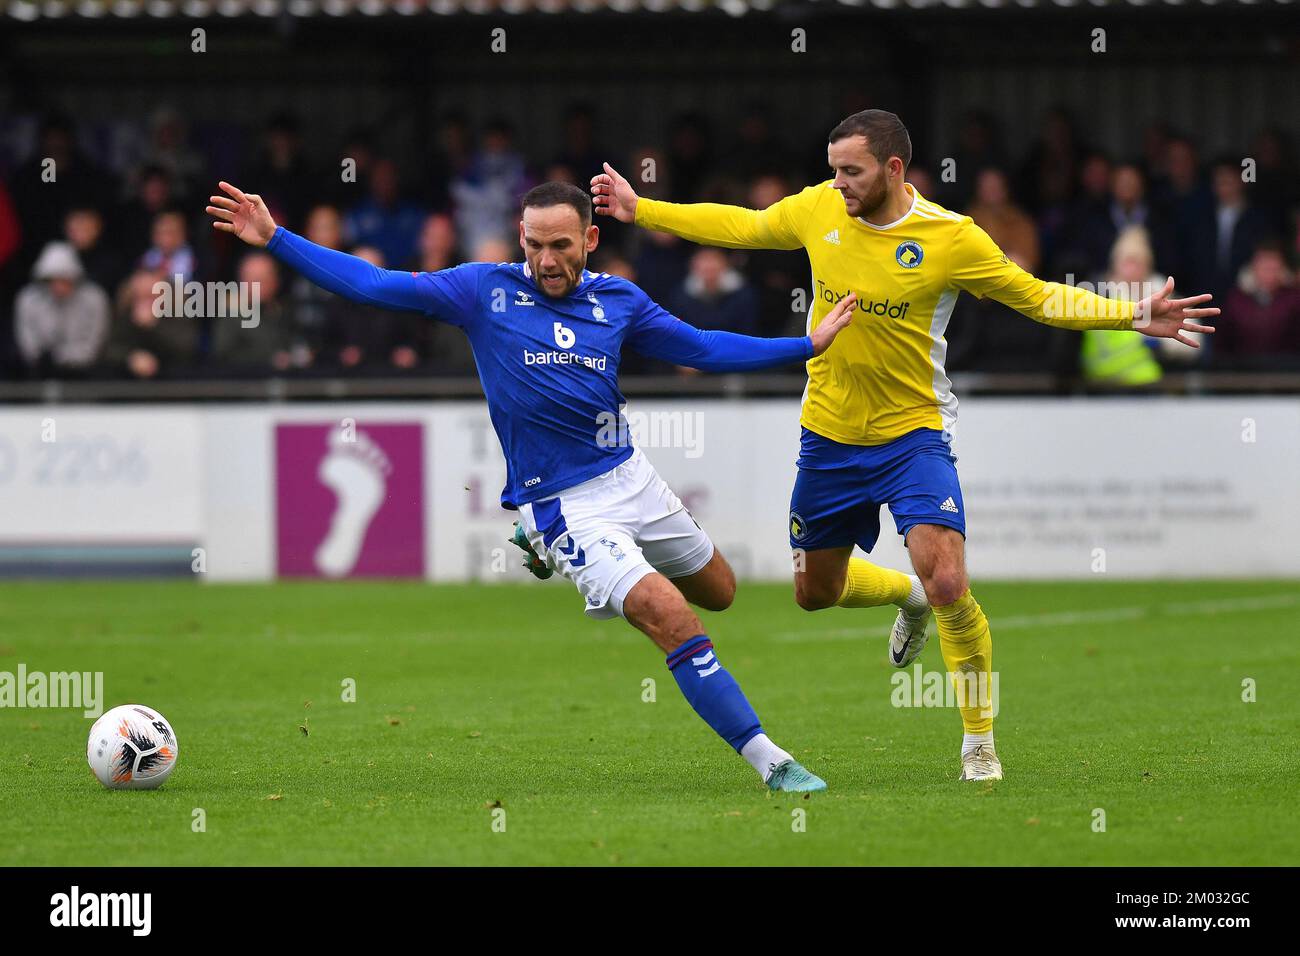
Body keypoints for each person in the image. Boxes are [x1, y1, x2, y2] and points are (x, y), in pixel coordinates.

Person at [593, 108, 1218, 782]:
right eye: (833, 170)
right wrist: (642, 209)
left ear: (894, 168)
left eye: (852, 171)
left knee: (947, 576)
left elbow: (1035, 298)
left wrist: (1130, 311)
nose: (839, 184)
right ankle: (905, 597)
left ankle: (978, 743)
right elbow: (742, 226)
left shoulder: (951, 238)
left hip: (912, 433)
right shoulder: (818, 209)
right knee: (815, 592)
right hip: (828, 435)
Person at [207, 178, 856, 792]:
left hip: (632, 477)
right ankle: (770, 761)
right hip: (567, 505)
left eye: (560, 246)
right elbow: (374, 284)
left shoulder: (619, 301)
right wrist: (277, 238)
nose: (546, 260)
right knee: (671, 616)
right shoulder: (480, 292)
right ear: (520, 237)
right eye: (534, 244)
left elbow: (704, 348)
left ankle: (536, 541)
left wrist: (807, 347)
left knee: (721, 591)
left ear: (590, 241)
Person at [14, 241, 111, 377]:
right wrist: (45, 358)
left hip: (83, 373)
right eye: (53, 280)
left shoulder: (94, 299)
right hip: (39, 372)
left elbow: (93, 346)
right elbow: (28, 345)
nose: (58, 287)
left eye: (64, 279)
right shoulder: (28, 299)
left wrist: (62, 358)